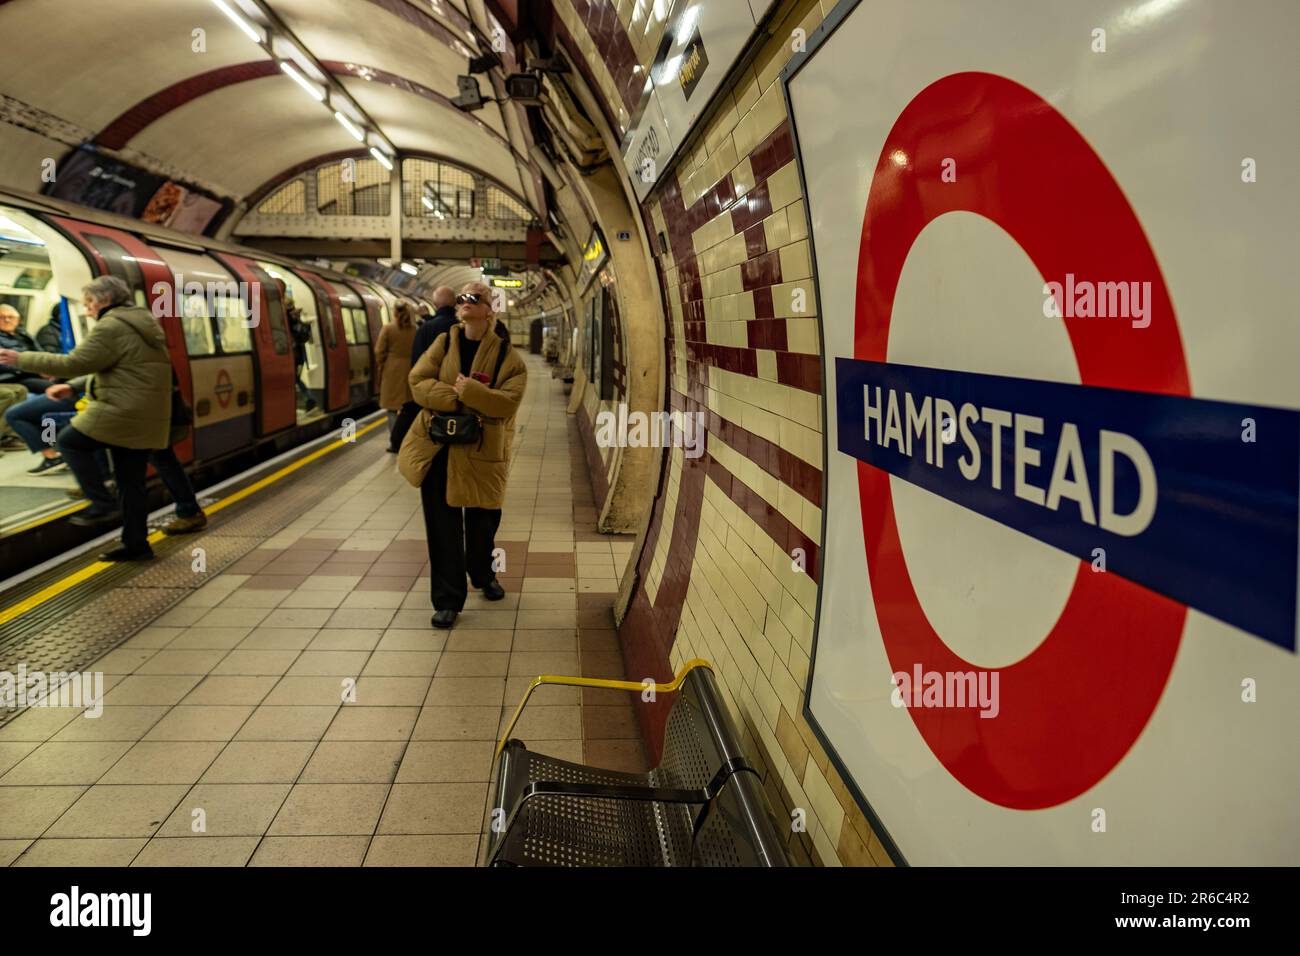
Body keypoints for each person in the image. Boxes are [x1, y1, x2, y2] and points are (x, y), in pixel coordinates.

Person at [0, 276, 172, 562]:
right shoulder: (140, 322)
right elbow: (113, 366)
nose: (86, 310)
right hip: (145, 410)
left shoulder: (111, 325)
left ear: (103, 301)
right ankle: (136, 544)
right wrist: (74, 386)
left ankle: (101, 502)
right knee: (131, 482)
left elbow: (74, 362)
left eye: (88, 303)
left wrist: (20, 359)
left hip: (123, 409)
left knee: (70, 440)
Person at [399, 282, 527, 629]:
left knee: (483, 522)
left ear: (490, 310)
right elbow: (418, 382)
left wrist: (470, 390)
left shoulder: (508, 357)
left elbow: (507, 402)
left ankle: (484, 575)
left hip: (482, 450)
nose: (466, 303)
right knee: (442, 528)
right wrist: (457, 398)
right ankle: (447, 600)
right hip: (439, 449)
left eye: (475, 298)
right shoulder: (443, 343)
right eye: (462, 299)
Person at [388, 286, 457, 452]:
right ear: (455, 303)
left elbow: (417, 362)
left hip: (430, 387)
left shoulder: (425, 328)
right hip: (455, 387)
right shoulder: (460, 327)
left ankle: (398, 443)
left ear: (435, 303)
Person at [374, 301, 417, 450]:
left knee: (392, 409)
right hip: (411, 369)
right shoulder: (415, 330)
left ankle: (395, 442)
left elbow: (379, 351)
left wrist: (382, 364)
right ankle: (408, 440)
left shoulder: (388, 328)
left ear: (394, 312)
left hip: (392, 370)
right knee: (409, 408)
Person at [275, 278, 316, 413]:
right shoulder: (286, 305)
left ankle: (297, 402)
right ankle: (306, 399)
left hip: (292, 349)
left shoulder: (284, 306)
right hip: (292, 348)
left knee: (292, 378)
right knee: (294, 378)